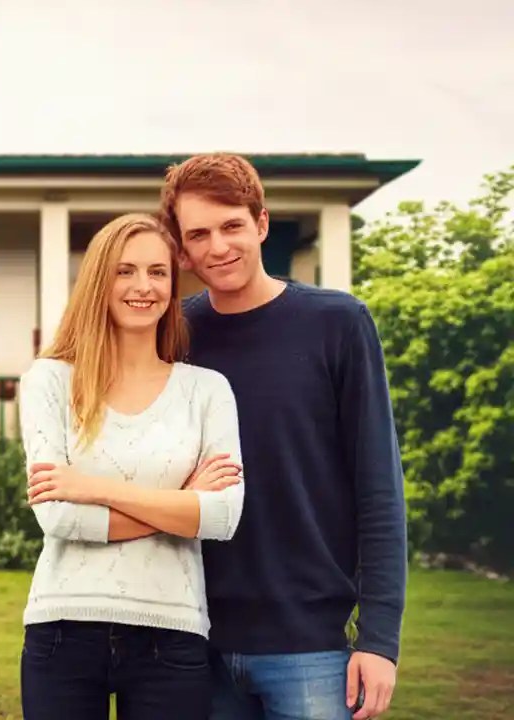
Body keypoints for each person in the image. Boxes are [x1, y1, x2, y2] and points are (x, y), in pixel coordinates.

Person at [158, 152, 408, 720]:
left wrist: (378, 640)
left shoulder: (338, 323)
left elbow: (378, 489)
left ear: (262, 223)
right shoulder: (174, 335)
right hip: (193, 642)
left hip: (310, 645)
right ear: (182, 249)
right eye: (199, 234)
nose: (218, 247)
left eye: (232, 226)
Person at [19, 212, 247, 720]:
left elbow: (222, 517)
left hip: (172, 631)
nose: (143, 286)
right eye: (125, 271)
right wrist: (181, 503)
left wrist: (91, 487)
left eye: (157, 272)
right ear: (99, 281)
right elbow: (59, 516)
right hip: (62, 629)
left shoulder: (206, 390)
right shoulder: (49, 381)